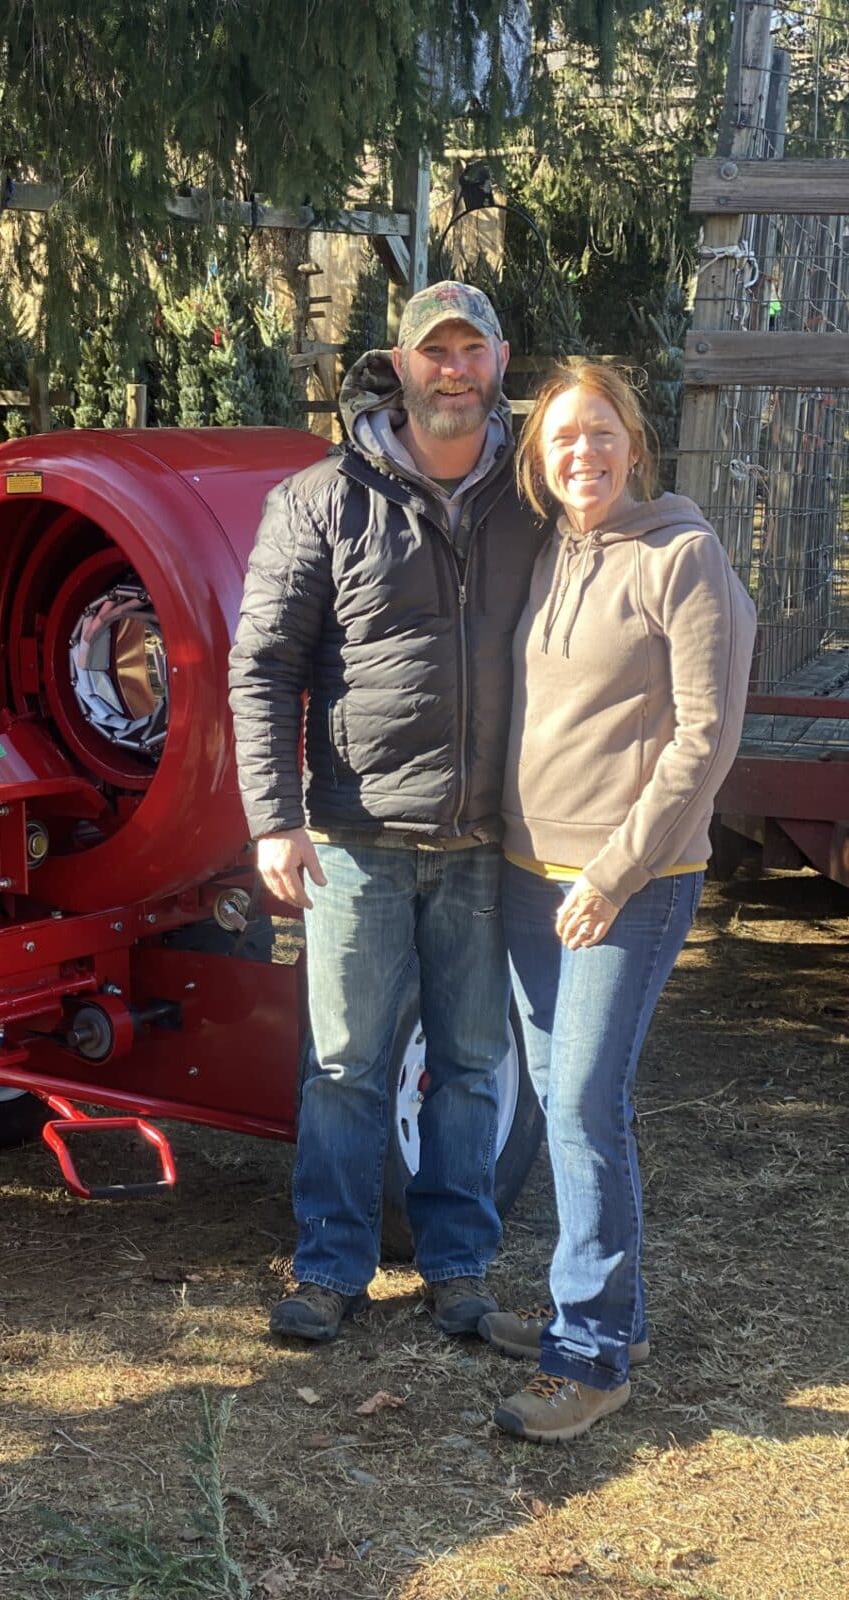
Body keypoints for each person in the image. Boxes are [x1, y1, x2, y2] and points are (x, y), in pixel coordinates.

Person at [228, 281, 543, 1343]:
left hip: (493, 836)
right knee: (345, 1066)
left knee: (467, 1064)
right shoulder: (321, 499)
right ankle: (329, 1269)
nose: (453, 369)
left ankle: (459, 1268)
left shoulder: (535, 494)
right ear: (399, 367)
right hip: (358, 832)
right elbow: (263, 664)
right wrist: (275, 816)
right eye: (434, 352)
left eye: (472, 350)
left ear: (502, 360)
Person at [479, 362, 755, 1441]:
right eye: (559, 440)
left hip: (624, 885)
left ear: (633, 442)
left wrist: (613, 873)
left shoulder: (684, 556)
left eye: (598, 433)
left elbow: (704, 737)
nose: (580, 453)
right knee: (560, 1100)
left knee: (586, 1102)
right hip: (525, 873)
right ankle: (610, 1314)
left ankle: (589, 1354)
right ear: (540, 463)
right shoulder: (554, 551)